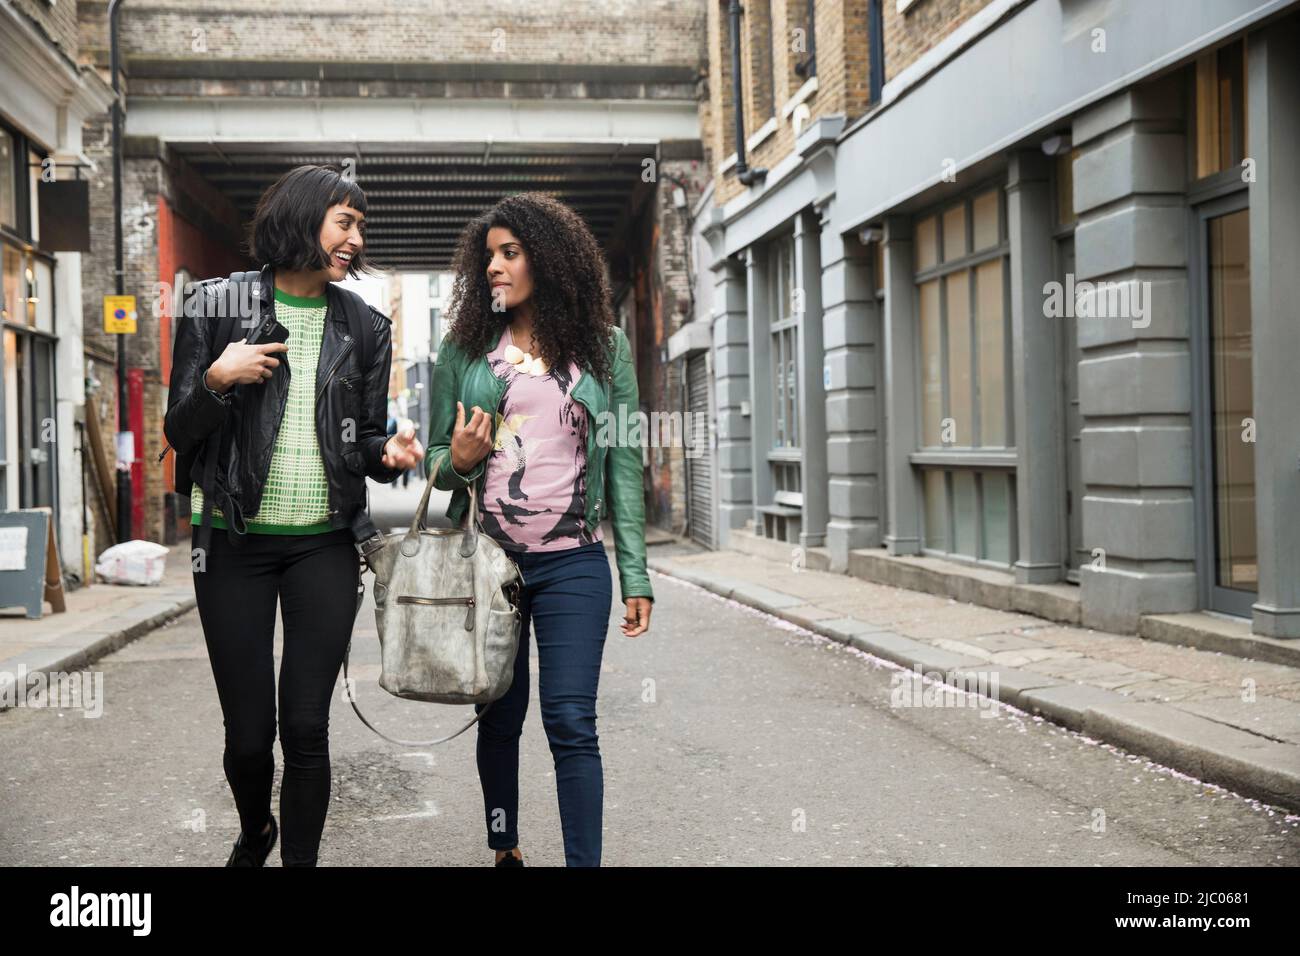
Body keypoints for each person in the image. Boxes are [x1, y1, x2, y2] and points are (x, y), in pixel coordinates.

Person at [163, 164, 424, 866]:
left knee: (307, 728)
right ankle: (256, 829)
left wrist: (388, 452)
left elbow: (365, 441)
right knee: (249, 735)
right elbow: (178, 431)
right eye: (346, 221)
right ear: (304, 218)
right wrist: (218, 381)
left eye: (360, 225)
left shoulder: (366, 326)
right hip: (231, 543)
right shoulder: (214, 306)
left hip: (325, 547)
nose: (356, 238)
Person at [425, 192, 654, 867]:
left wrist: (635, 571)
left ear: (547, 260)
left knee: (570, 721)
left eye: (509, 253)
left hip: (575, 563)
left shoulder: (604, 349)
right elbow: (441, 464)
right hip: (490, 566)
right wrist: (457, 461)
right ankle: (505, 848)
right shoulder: (464, 350)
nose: (494, 267)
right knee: (499, 713)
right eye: (488, 255)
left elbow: (625, 463)